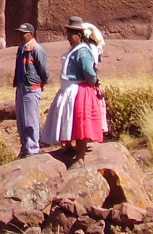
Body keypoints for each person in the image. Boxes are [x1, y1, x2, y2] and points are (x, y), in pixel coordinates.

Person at [40, 16, 105, 167]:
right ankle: (68, 148)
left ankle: (80, 158)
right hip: (69, 90)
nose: (68, 36)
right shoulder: (74, 50)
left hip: (79, 91)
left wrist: (94, 82)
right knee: (66, 119)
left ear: (79, 35)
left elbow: (89, 72)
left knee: (80, 123)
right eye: (68, 33)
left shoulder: (82, 52)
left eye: (71, 33)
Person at [12, 22, 49, 158]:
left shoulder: (37, 49)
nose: (20, 36)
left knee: (30, 119)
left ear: (31, 34)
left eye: (23, 33)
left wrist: (41, 84)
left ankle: (33, 149)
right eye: (19, 33)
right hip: (21, 86)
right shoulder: (21, 49)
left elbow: (44, 71)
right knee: (21, 119)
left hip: (31, 88)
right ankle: (25, 148)